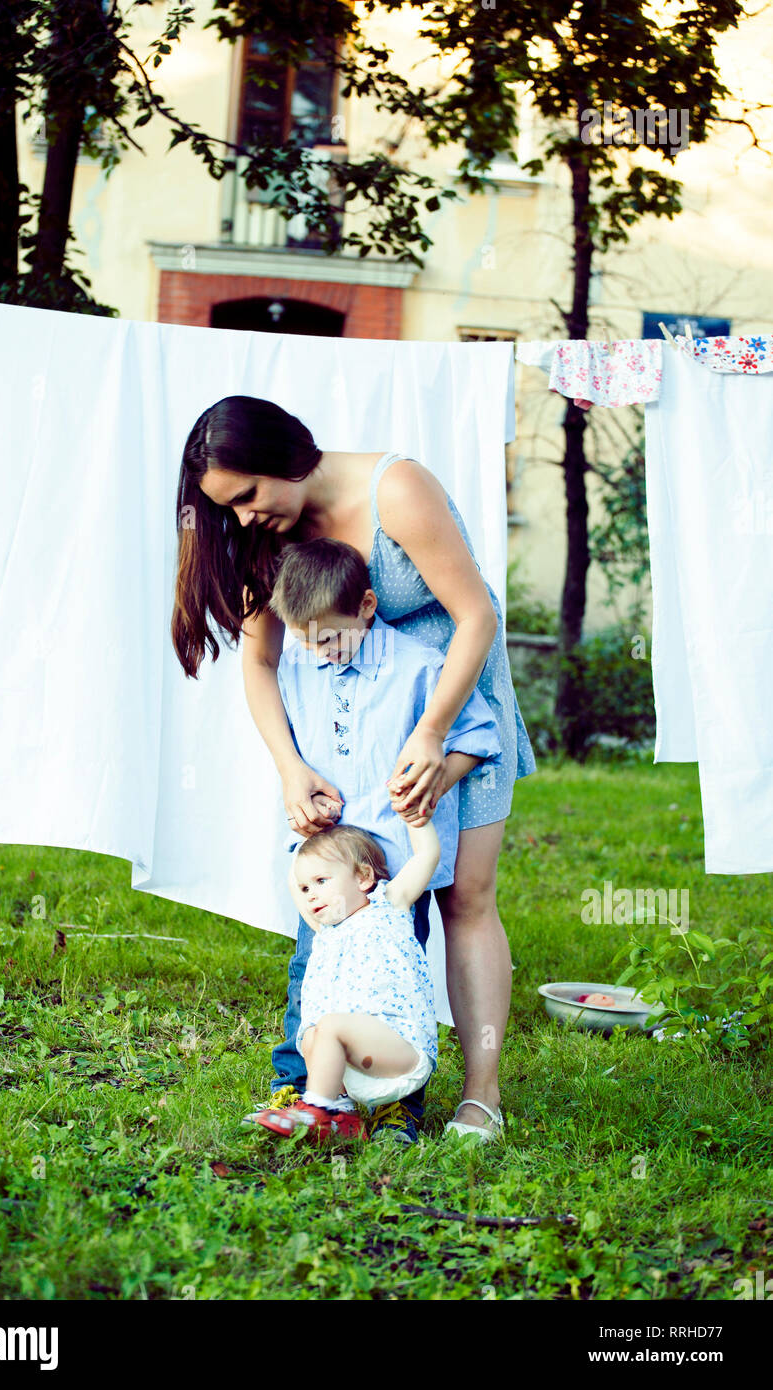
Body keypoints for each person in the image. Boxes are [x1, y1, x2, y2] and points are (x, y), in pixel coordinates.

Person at [172, 395, 536, 1141]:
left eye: (246, 495)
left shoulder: (394, 490)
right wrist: (290, 767)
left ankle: (480, 1096)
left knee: (464, 896)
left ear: (285, 455)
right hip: (361, 744)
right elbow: (263, 659)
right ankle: (322, 1085)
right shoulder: (272, 534)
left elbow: (476, 617)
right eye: (226, 507)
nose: (241, 517)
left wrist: (436, 733)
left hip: (453, 713)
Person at [240, 536, 500, 1142]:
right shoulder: (304, 668)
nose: (320, 653)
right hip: (326, 865)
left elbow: (478, 734)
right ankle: (301, 1085)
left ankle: (396, 1103)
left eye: (330, 639)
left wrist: (434, 781)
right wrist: (298, 785)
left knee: (391, 979)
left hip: (388, 874)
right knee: (310, 969)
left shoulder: (418, 666)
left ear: (365, 606)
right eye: (306, 642)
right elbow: (296, 750)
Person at [254, 820, 442, 1143]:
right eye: (306, 888)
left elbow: (427, 855)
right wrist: (304, 834)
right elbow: (293, 879)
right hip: (353, 1070)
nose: (311, 894)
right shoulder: (325, 931)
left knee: (330, 1027)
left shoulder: (389, 905)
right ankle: (340, 1112)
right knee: (312, 1034)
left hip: (399, 1051)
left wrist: (415, 817)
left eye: (321, 881)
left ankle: (317, 1110)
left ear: (364, 877)